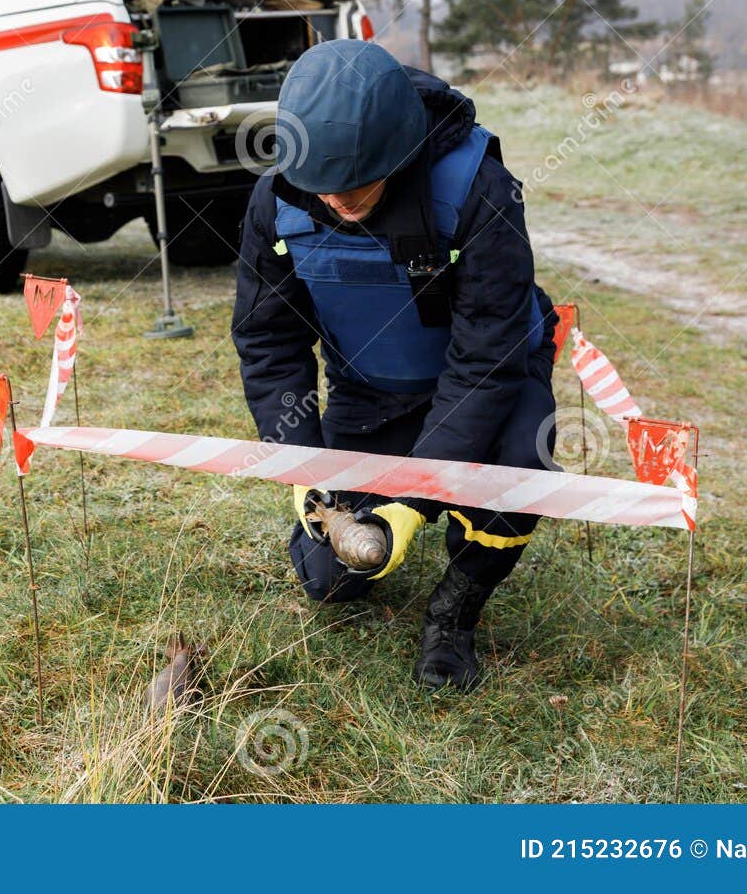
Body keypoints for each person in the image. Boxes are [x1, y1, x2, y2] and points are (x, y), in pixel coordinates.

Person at [232, 40, 560, 690]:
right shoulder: (276, 201)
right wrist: (303, 463)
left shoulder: (479, 189)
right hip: (371, 391)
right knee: (331, 579)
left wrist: (415, 496)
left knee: (524, 462)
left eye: (357, 183)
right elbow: (269, 341)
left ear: (400, 152)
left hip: (490, 384)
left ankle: (453, 614)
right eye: (324, 186)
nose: (339, 200)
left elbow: (484, 360)